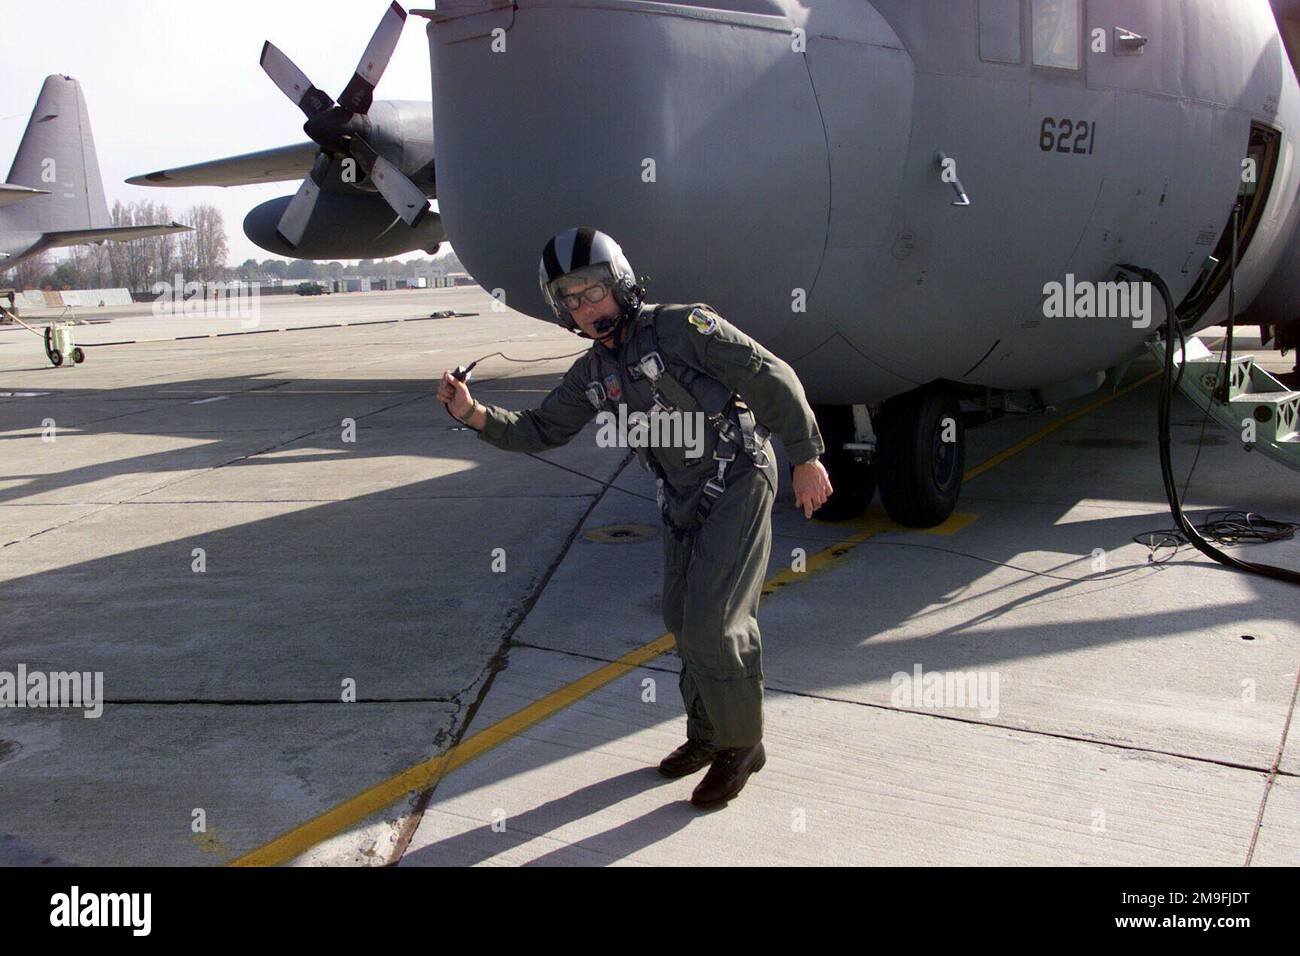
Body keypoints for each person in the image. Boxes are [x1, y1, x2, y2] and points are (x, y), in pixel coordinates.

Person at [438, 227, 832, 807]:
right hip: (681, 495)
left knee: (713, 621)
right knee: (681, 614)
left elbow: (768, 375)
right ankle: (707, 735)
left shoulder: (682, 327)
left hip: (741, 476)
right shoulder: (595, 373)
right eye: (568, 299)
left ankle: (743, 745)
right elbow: (541, 430)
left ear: (619, 282)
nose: (584, 307)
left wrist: (806, 455)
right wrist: (473, 413)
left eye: (591, 291)